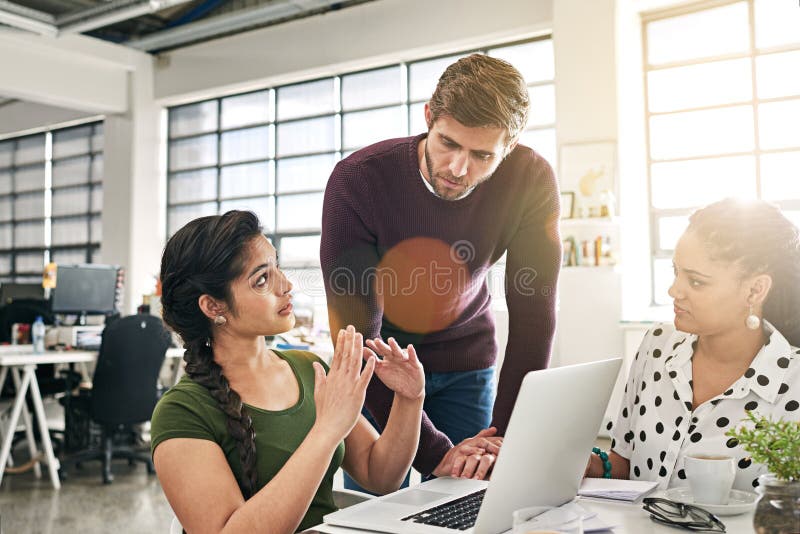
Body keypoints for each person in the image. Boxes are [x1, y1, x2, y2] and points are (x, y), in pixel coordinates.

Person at [320, 53, 561, 482]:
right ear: (429, 116)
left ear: (511, 144)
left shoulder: (530, 179)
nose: (458, 168)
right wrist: (435, 455)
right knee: (378, 507)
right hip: (380, 371)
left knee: (465, 501)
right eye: (448, 143)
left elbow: (533, 318)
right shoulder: (358, 181)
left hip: (467, 363)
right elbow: (358, 338)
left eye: (483, 155)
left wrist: (503, 437)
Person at [151, 210, 431, 533]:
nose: (286, 285)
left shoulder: (309, 369)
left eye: (277, 268)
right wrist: (325, 432)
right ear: (214, 307)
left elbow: (380, 475)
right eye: (262, 279)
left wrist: (410, 399)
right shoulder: (180, 412)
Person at [586, 199, 800, 491]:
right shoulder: (656, 345)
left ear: (755, 289)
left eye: (696, 282)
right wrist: (583, 463)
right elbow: (624, 461)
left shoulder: (794, 383)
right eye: (676, 272)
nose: (674, 290)